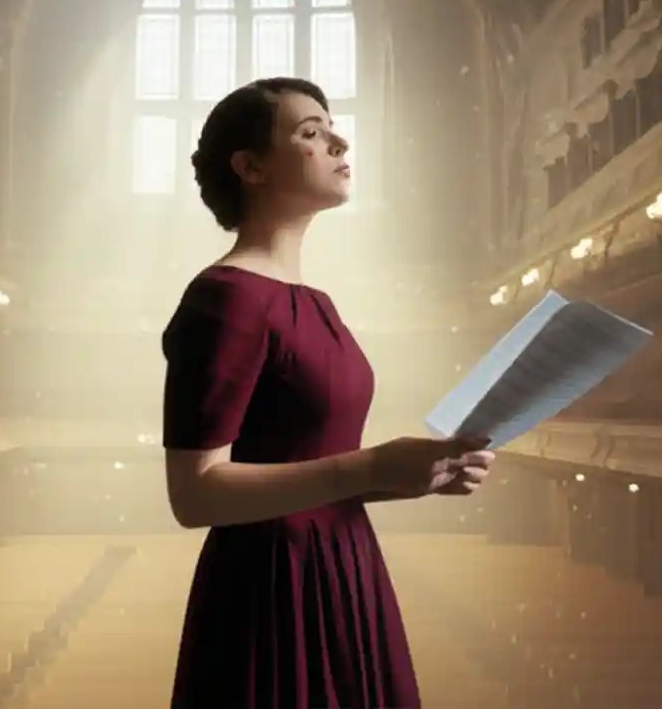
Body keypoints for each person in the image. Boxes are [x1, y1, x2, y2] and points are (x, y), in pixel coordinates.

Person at [161, 77, 496, 709]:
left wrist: (413, 474)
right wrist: (371, 466)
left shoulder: (315, 301)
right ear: (251, 167)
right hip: (271, 583)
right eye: (310, 133)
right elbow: (195, 492)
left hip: (343, 560)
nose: (340, 142)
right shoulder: (225, 298)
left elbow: (308, 463)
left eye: (333, 128)